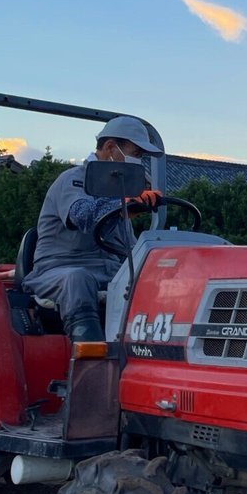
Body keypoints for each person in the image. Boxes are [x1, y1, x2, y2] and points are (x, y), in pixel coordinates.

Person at [22, 116, 164, 342]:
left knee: (160, 278)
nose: (139, 162)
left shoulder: (120, 195)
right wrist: (123, 205)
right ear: (110, 147)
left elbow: (132, 249)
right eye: (136, 154)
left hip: (110, 276)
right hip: (58, 272)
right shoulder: (72, 180)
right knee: (78, 278)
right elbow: (82, 215)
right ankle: (89, 357)